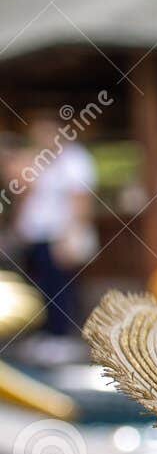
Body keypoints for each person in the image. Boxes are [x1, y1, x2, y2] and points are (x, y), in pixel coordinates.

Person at [13, 110, 97, 344]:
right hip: (38, 236)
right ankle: (49, 333)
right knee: (43, 285)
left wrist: (72, 235)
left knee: (61, 287)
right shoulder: (43, 160)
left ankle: (62, 336)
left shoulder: (74, 160)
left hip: (59, 236)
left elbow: (81, 199)